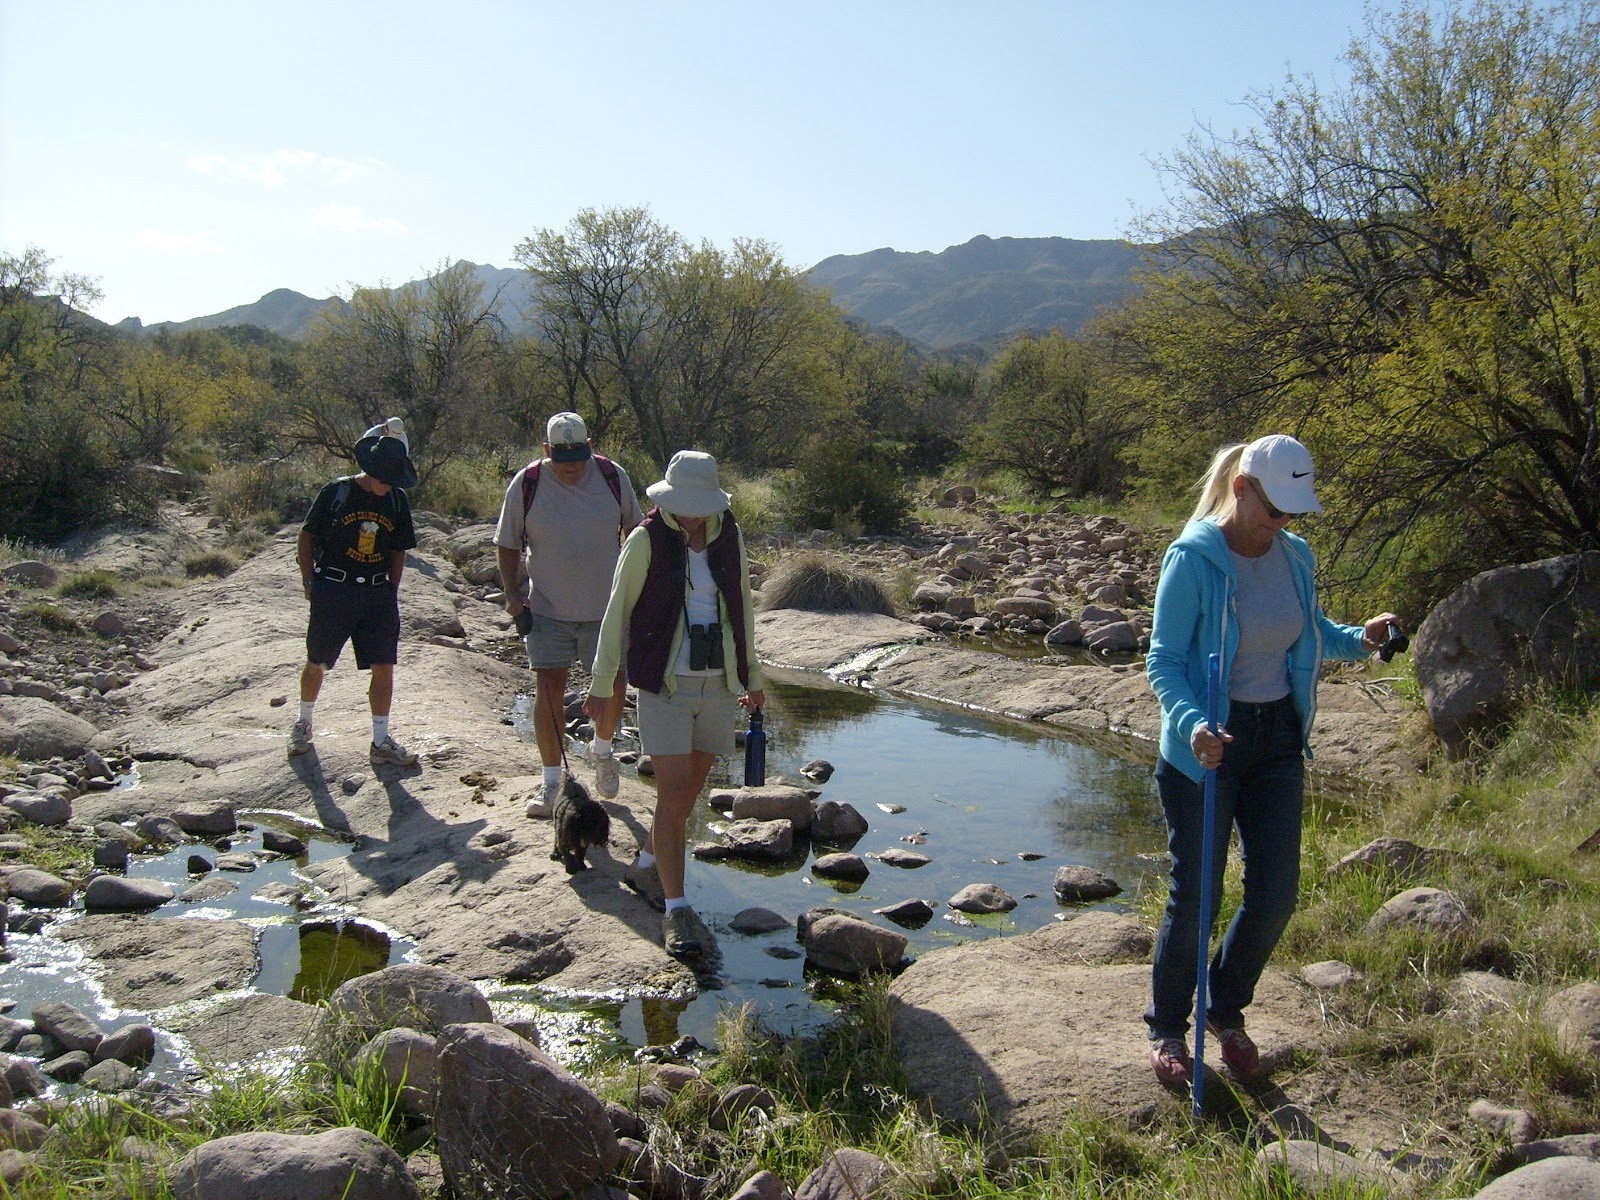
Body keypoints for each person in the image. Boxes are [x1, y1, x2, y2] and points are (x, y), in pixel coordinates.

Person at [1143, 434, 1398, 1085]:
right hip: (1206, 745)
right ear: (1241, 489)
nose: (1282, 521)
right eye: (1274, 507)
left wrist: (1362, 638)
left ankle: (1225, 1011)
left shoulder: (1296, 557)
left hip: (1278, 739)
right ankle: (1169, 1030)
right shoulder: (1193, 558)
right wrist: (1194, 723)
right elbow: (1164, 660)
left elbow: (1312, 633)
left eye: (1292, 511)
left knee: (1276, 895)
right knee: (1196, 893)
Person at [583, 450, 764, 961]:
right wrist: (602, 683)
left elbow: (744, 604)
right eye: (684, 505)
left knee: (688, 793)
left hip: (720, 684)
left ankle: (644, 868)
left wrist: (752, 677)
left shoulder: (728, 533)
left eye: (698, 506)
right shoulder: (645, 539)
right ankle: (677, 907)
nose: (691, 515)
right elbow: (617, 612)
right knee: (671, 794)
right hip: (664, 685)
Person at [496, 412, 642, 816]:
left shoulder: (613, 477)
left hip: (607, 609)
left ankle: (602, 752)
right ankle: (551, 783)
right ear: (547, 451)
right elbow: (507, 543)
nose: (573, 464)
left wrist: (638, 589)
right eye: (564, 457)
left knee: (613, 684)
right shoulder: (526, 484)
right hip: (546, 608)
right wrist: (512, 592)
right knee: (548, 690)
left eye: (580, 454)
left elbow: (637, 530)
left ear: (589, 446)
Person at [290, 418, 421, 767]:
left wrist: (391, 590)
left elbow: (399, 549)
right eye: (382, 478)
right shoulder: (338, 492)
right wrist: (308, 582)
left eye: (391, 479)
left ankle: (380, 742)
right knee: (317, 660)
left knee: (384, 667)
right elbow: (306, 537)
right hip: (334, 588)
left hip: (377, 594)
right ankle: (303, 724)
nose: (385, 485)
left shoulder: (396, 500)